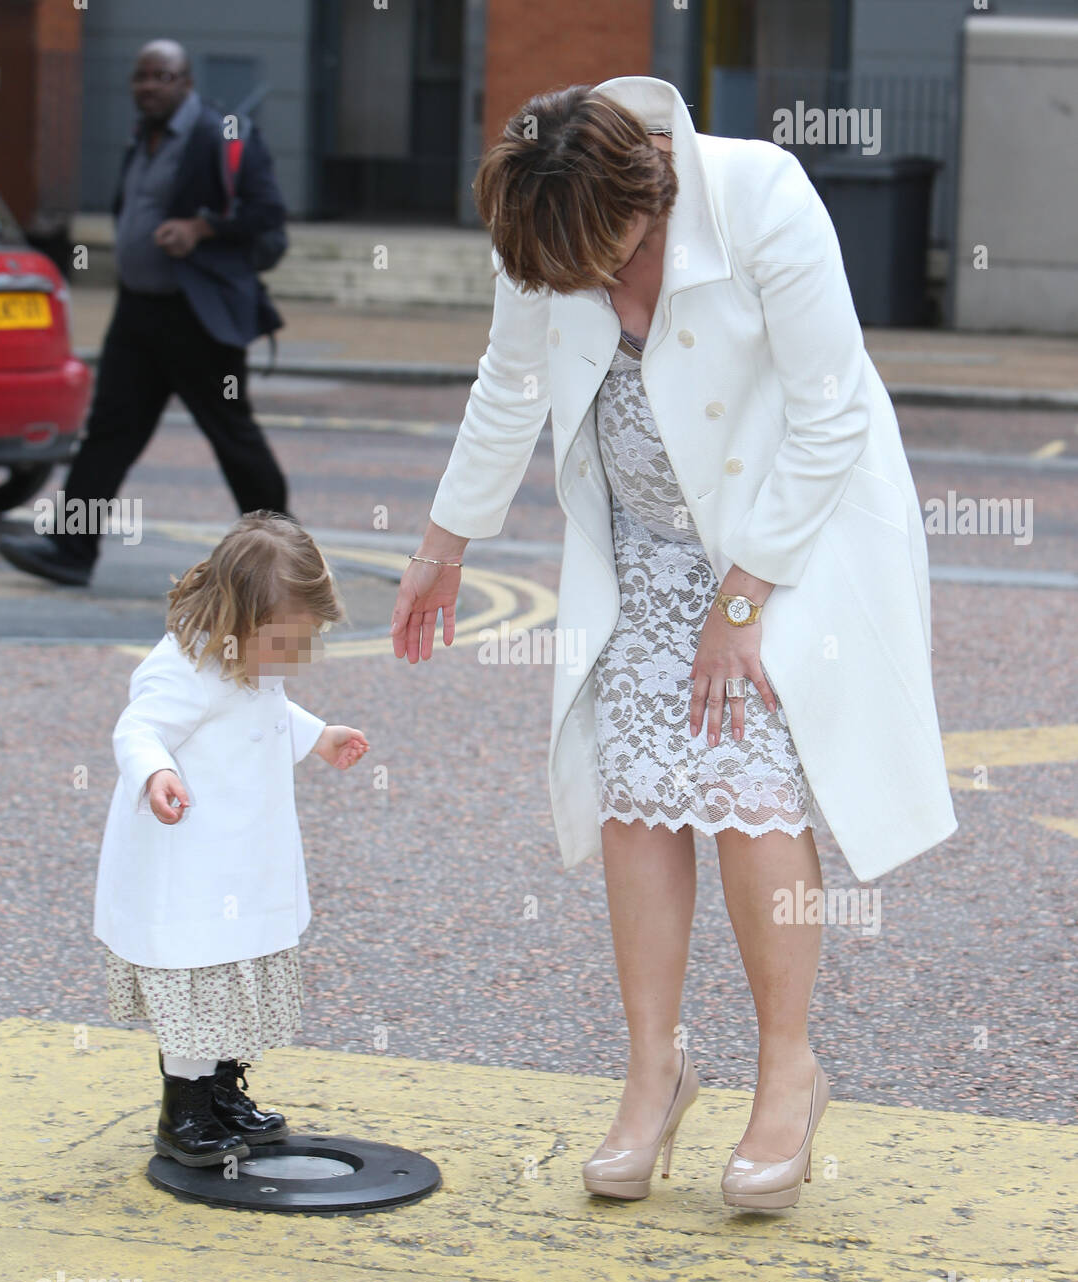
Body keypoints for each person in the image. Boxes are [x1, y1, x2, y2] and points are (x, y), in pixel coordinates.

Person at [389, 77, 957, 1211]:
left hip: (782, 532)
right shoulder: (548, 215)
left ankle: (787, 1071)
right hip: (643, 539)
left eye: (605, 263)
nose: (591, 288)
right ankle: (656, 1073)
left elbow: (831, 407)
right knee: (637, 788)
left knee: (747, 783)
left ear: (648, 195)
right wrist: (444, 542)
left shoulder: (760, 195)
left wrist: (742, 600)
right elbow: (509, 382)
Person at [93, 512, 368, 1165]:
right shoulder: (183, 668)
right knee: (199, 987)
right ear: (239, 620)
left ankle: (219, 1093)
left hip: (244, 867)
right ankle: (182, 1112)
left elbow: (269, 714)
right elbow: (138, 729)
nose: (297, 657)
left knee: (231, 988)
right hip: (191, 873)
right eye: (289, 641)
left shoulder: (249, 661)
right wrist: (157, 772)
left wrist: (318, 735)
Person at [0, 39, 291, 589]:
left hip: (196, 318)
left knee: (231, 433)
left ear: (186, 82)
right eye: (141, 77)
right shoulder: (143, 136)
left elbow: (269, 211)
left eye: (162, 76)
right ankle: (70, 549)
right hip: (138, 315)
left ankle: (285, 554)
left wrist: (200, 229)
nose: (148, 86)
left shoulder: (219, 135)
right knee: (110, 431)